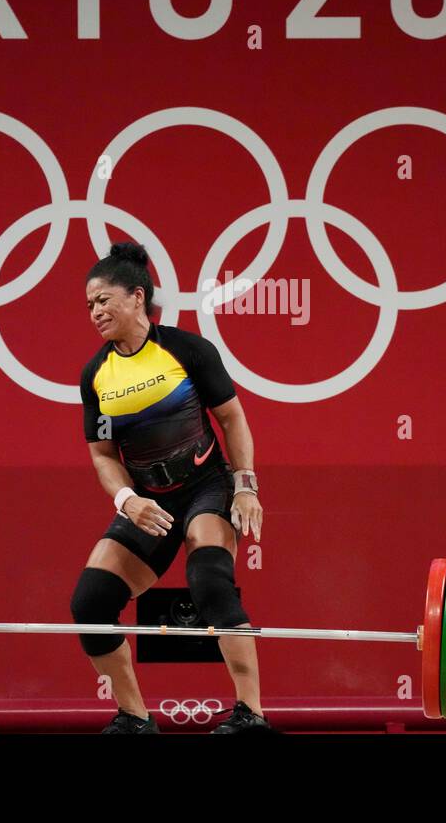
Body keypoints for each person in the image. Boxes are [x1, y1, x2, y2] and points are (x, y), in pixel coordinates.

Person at [70, 241, 272, 734]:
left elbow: (233, 419)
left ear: (137, 296)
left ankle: (251, 714)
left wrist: (245, 486)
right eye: (90, 305)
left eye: (103, 300)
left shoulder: (187, 350)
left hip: (206, 486)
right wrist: (128, 501)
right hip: (148, 502)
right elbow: (103, 455)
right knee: (90, 603)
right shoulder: (96, 375)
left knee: (210, 583)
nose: (95, 312)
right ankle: (135, 718)